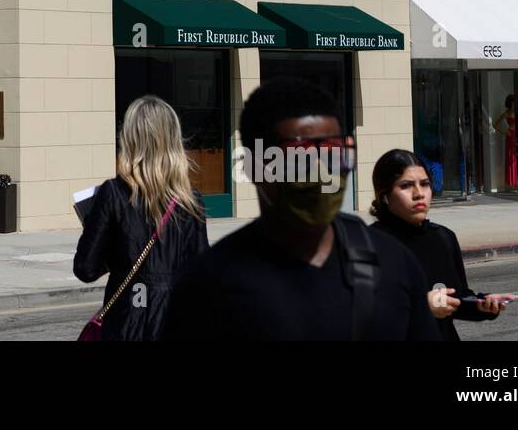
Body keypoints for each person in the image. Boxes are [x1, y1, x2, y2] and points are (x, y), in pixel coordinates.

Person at [164, 78, 438, 341]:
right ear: (254, 167)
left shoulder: (394, 264)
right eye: (299, 154)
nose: (320, 172)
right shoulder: (209, 286)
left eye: (332, 152)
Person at [73, 95, 208, 340]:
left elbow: (85, 268)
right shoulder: (191, 201)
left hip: (125, 321)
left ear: (129, 139)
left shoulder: (112, 193)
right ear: (173, 141)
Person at [369, 149, 513, 341]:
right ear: (384, 195)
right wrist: (421, 307)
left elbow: (456, 300)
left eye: (425, 184)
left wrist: (482, 305)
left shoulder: (443, 238)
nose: (419, 194)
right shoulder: (368, 243)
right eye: (406, 186)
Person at [493, 95, 518, 190]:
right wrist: (504, 132)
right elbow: (495, 124)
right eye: (512, 102)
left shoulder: (517, 112)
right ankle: (511, 183)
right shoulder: (506, 113)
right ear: (510, 103)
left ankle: (516, 181)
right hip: (511, 136)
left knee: (516, 158)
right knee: (511, 158)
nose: (514, 104)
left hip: (516, 135)